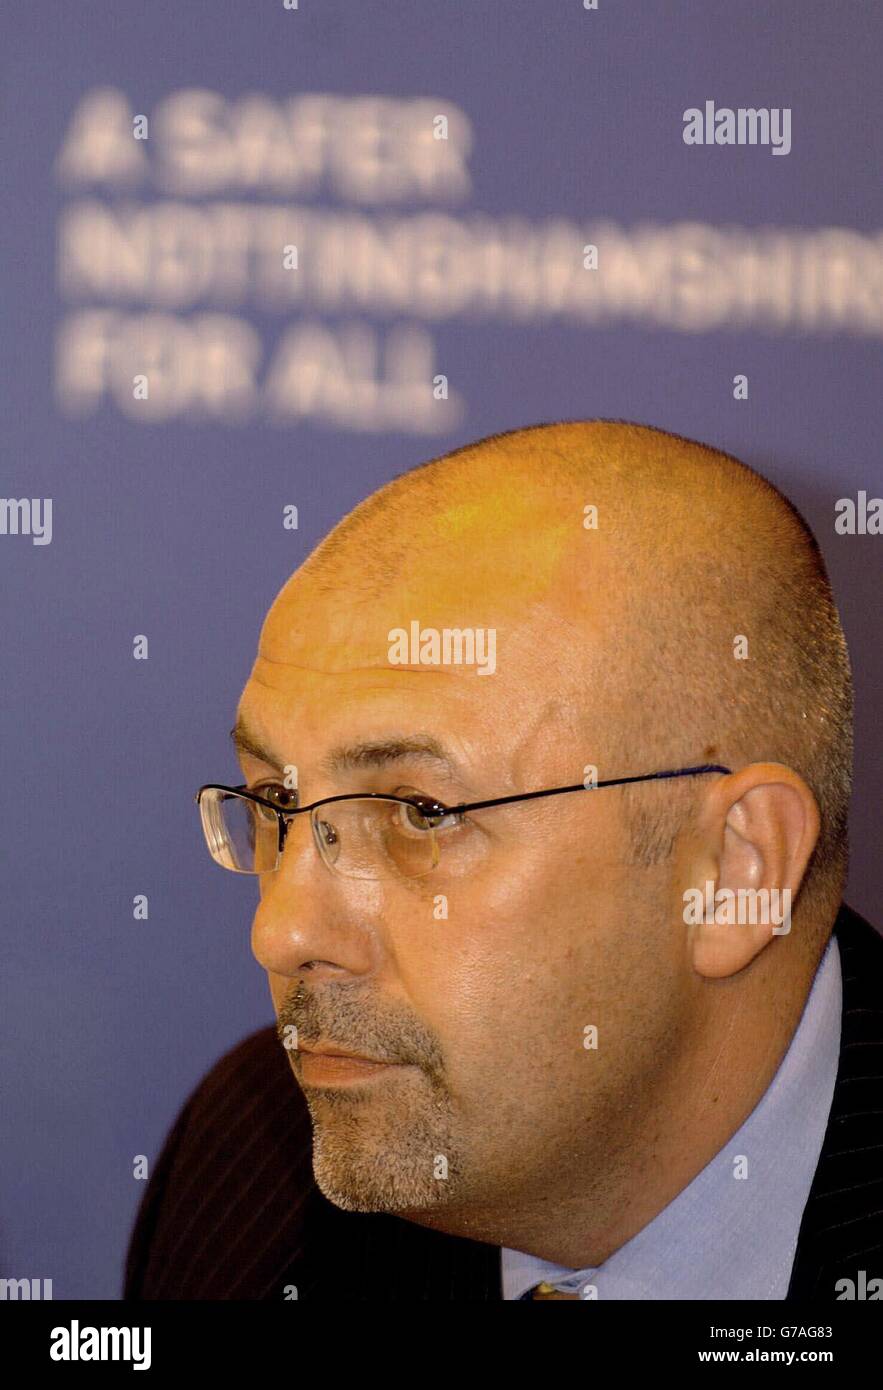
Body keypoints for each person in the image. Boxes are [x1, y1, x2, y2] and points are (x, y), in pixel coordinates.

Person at [124, 420, 881, 1301]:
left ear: (734, 873)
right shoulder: (254, 1167)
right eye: (280, 807)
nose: (283, 931)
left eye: (421, 813)